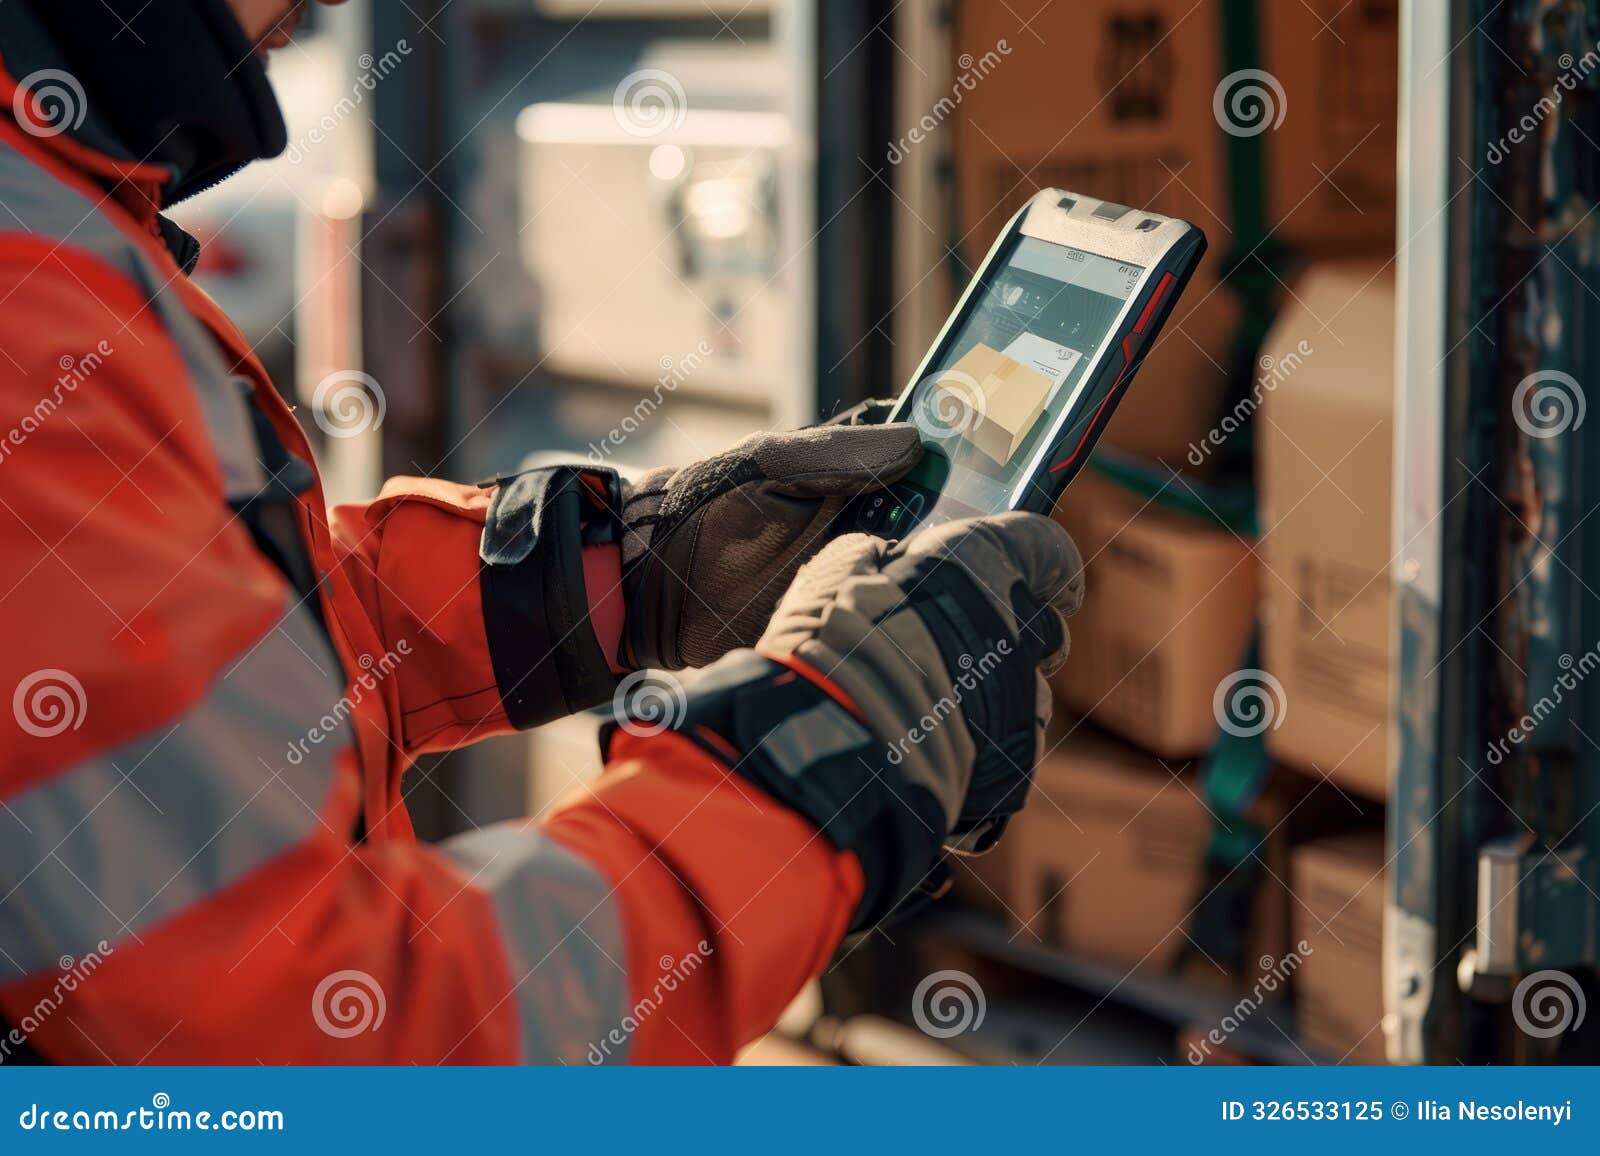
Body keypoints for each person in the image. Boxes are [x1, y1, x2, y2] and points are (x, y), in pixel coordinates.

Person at [0, 0, 1082, 1064]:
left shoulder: (52, 212)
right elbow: (332, 1041)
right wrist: (823, 771)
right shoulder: (30, 312)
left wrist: (631, 573)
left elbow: (201, 663)